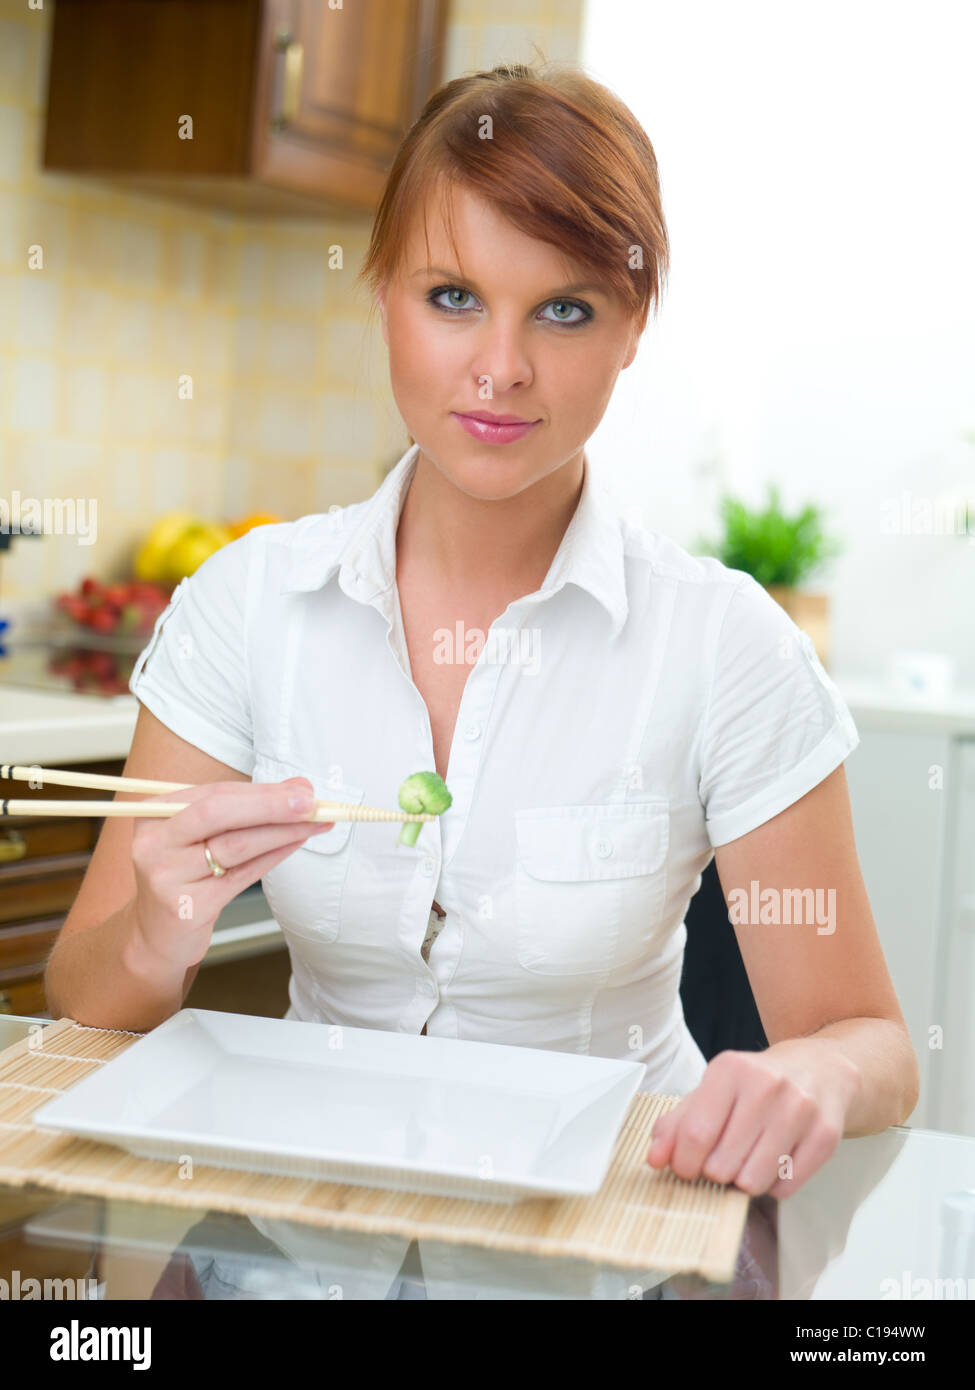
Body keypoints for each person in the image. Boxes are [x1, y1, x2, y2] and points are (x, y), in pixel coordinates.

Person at [46, 60, 918, 1217]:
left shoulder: (727, 647)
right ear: (381, 294)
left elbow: (874, 1046)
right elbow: (80, 998)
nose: (501, 367)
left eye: (564, 309)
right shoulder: (244, 601)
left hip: (612, 1238)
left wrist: (816, 1070)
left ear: (633, 327)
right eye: (453, 295)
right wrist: (159, 930)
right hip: (310, 1234)